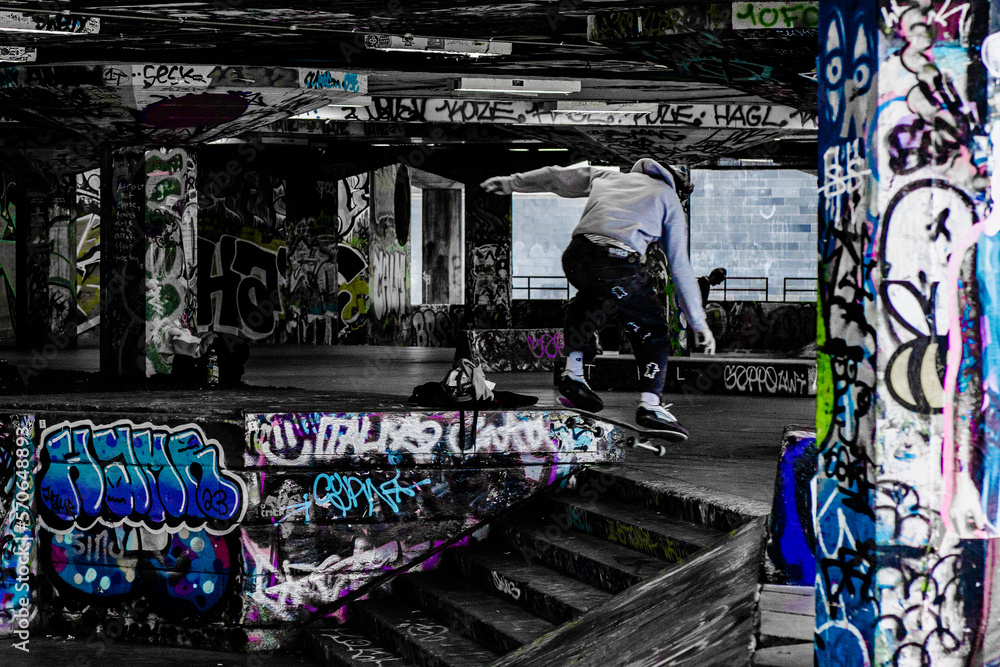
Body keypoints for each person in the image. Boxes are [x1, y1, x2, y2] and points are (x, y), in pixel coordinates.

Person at [481, 158, 716, 441]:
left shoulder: (609, 176)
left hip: (577, 256)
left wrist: (511, 183)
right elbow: (679, 265)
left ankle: (573, 374)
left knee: (587, 304)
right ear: (676, 186)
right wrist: (698, 322)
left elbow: (555, 176)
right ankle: (651, 405)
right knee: (653, 329)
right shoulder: (669, 197)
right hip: (616, 262)